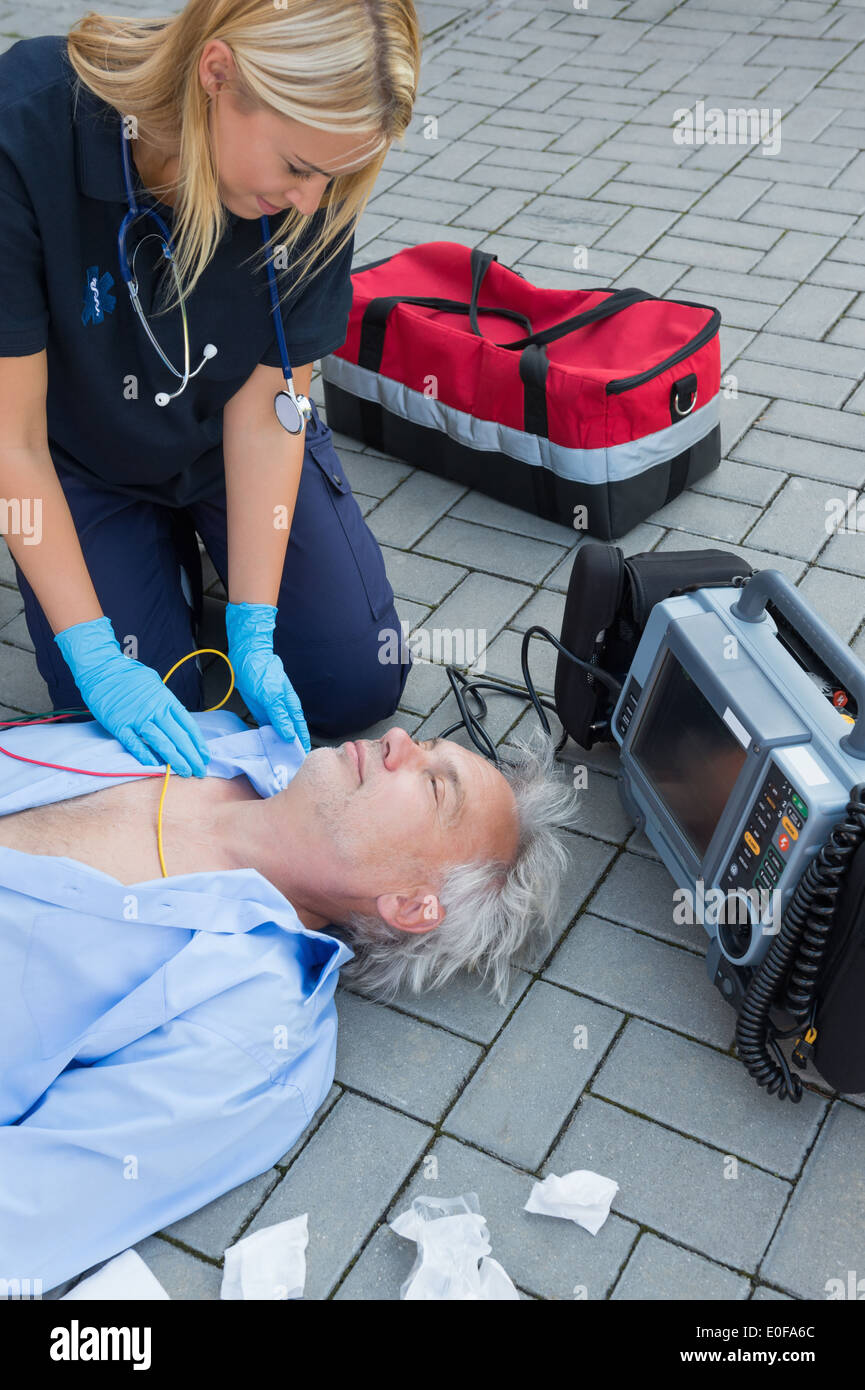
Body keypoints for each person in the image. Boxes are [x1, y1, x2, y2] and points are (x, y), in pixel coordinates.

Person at [0, 711, 575, 1294]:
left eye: (433, 784)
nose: (398, 739)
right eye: (424, 742)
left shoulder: (252, 1032)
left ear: (409, 905)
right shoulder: (223, 736)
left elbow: (25, 1212)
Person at [0, 0, 420, 776]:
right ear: (217, 72)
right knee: (155, 716)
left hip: (231, 440)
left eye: (335, 176)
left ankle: (214, 581)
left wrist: (255, 629)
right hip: (79, 460)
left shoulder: (317, 180)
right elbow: (11, 440)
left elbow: (268, 413)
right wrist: (95, 653)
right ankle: (144, 558)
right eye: (297, 168)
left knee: (353, 680)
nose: (312, 203)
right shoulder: (25, 129)